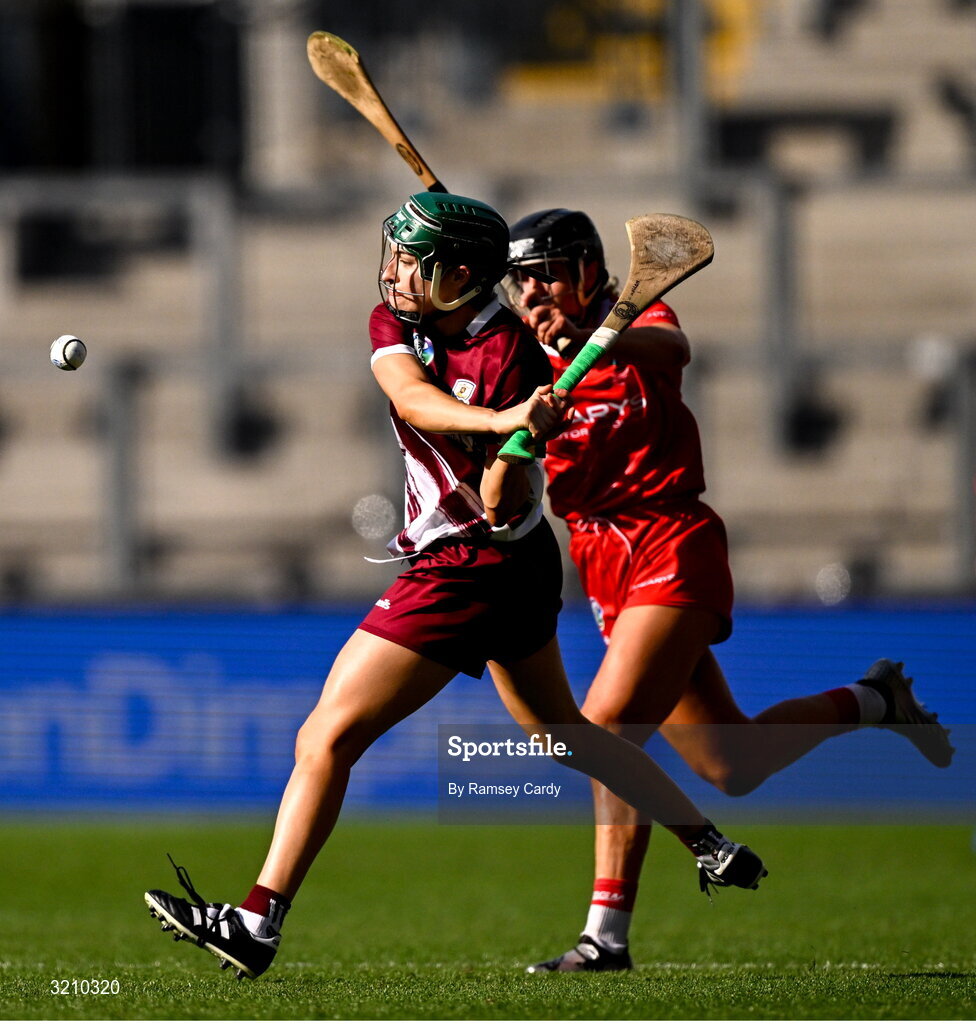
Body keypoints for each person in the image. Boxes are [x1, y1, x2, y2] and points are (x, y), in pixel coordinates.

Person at [142, 192, 768, 980]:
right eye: (397, 256)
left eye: (415, 262)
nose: (395, 274)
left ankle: (255, 922)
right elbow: (412, 398)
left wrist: (517, 443)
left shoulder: (516, 356)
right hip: (512, 565)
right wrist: (504, 421)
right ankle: (706, 841)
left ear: (461, 275)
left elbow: (505, 499)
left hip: (474, 559)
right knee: (565, 734)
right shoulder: (398, 323)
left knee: (326, 738)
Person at [504, 207, 955, 974]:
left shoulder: (630, 318)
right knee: (732, 763)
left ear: (585, 270)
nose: (532, 294)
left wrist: (595, 339)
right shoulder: (525, 357)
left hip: (670, 540)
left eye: (544, 276)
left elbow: (672, 348)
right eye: (520, 282)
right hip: (601, 559)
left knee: (606, 729)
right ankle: (876, 699)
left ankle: (605, 937)